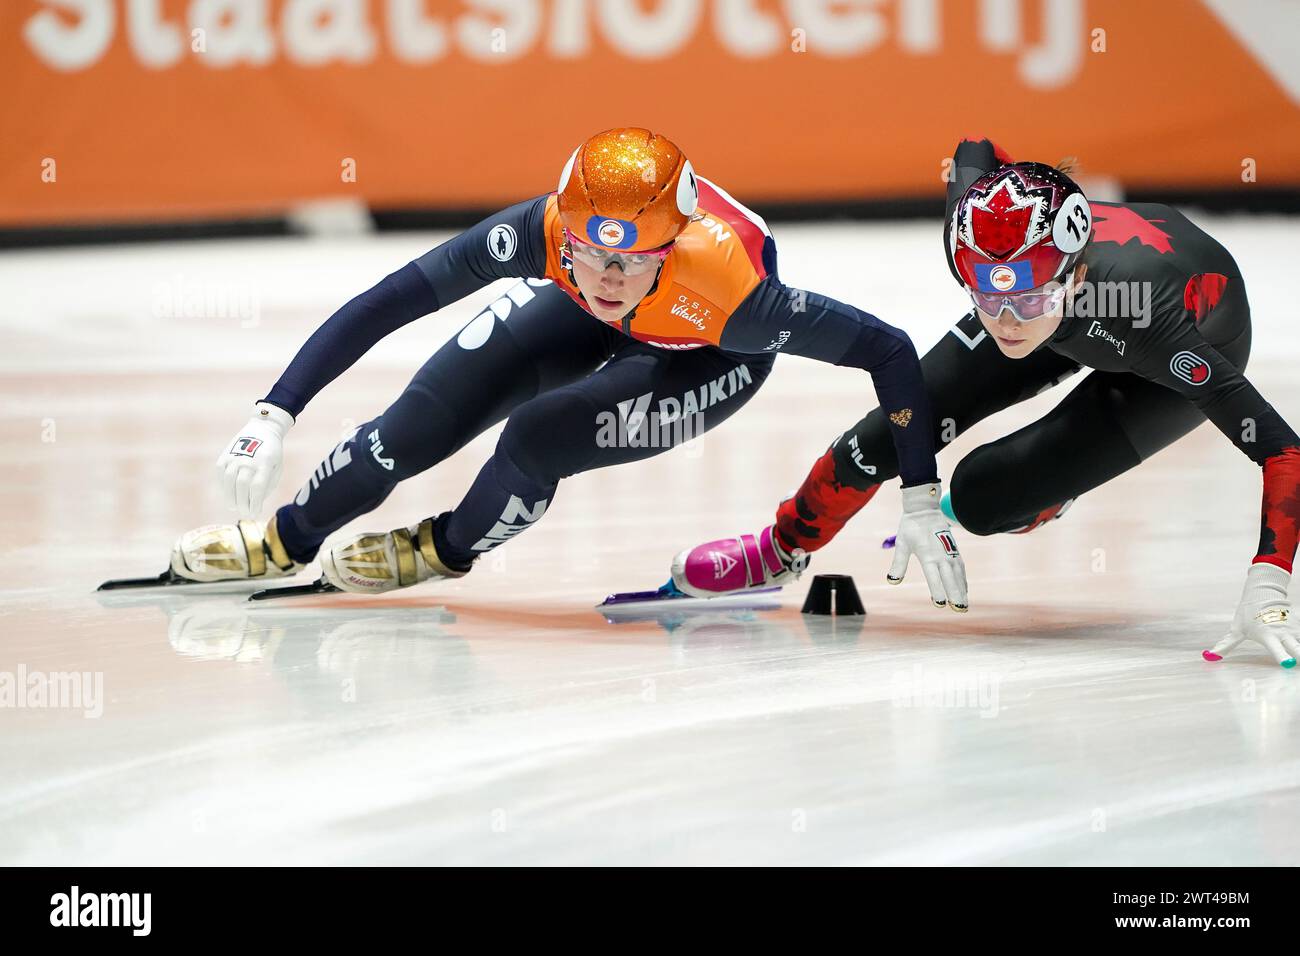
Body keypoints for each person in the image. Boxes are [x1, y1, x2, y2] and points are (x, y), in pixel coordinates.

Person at [162, 127, 967, 609]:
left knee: (537, 437)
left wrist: (922, 492)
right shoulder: (539, 234)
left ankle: (444, 549)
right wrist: (276, 411)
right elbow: (393, 299)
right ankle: (286, 537)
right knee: (416, 423)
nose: (609, 278)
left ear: (671, 247)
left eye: (632, 260)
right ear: (565, 232)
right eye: (587, 254)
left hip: (709, 352)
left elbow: (889, 349)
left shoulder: (737, 295)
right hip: (590, 316)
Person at [676, 138, 1300, 668]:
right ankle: (778, 549)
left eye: (1025, 302)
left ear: (1075, 275)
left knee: (985, 497)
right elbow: (975, 148)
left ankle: (1050, 488)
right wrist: (1021, 208)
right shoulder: (979, 242)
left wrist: (1270, 576)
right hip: (1073, 306)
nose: (1005, 322)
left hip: (1153, 345)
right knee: (882, 438)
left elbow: (1282, 449)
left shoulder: (1151, 322)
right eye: (984, 295)